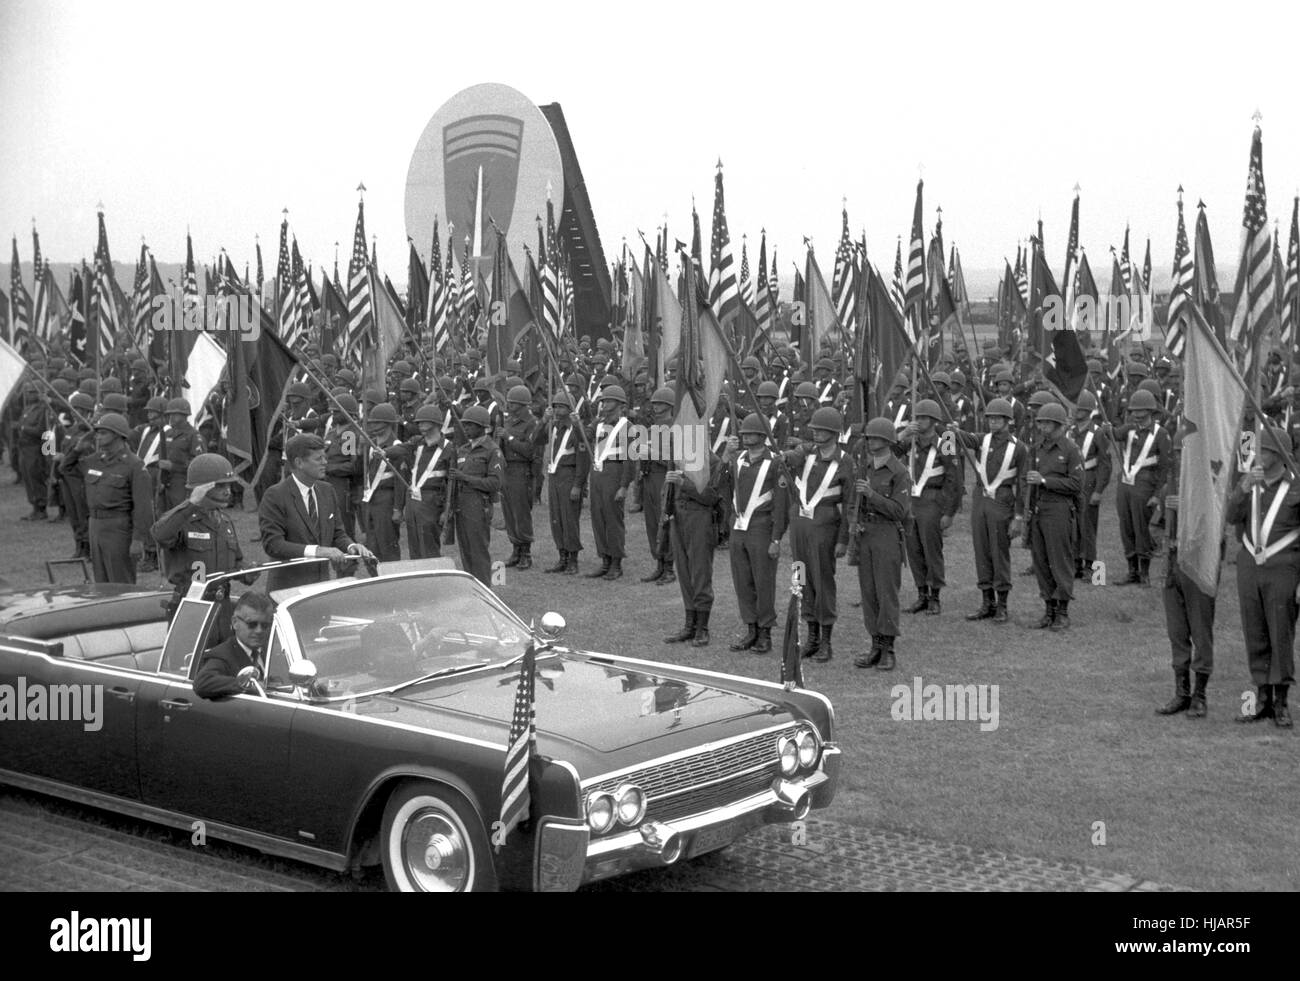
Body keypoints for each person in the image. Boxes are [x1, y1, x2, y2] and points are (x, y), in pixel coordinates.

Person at [1226, 425, 1298, 727]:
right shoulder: (1249, 482)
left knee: (1280, 633)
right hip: (1249, 568)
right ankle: (1261, 698)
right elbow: (1231, 517)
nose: (1258, 454)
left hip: (1284, 568)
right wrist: (1242, 488)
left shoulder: (1295, 486)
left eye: (1266, 450)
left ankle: (1281, 702)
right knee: (1254, 631)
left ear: (1281, 455)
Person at [152, 453, 257, 641]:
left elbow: (236, 562)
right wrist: (191, 503)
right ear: (200, 488)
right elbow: (160, 535)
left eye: (229, 485)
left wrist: (247, 572)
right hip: (191, 605)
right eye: (220, 486)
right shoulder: (182, 520)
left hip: (222, 607)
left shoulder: (224, 521)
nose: (228, 491)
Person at [259, 433, 375, 593]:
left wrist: (352, 546)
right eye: (318, 459)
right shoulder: (275, 495)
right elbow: (273, 545)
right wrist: (318, 551)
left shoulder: (327, 491)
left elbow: (337, 533)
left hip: (320, 590)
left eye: (325, 457)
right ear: (299, 462)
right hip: (287, 591)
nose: (325, 463)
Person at [786, 406, 855, 663]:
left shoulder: (845, 461)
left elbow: (849, 503)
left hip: (825, 526)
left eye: (821, 430)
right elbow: (787, 460)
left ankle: (826, 640)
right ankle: (811, 635)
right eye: (814, 429)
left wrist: (843, 539)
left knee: (823, 581)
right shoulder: (805, 452)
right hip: (800, 528)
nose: (815, 433)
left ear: (834, 433)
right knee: (801, 578)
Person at [950, 397, 1028, 623]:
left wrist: (1019, 516)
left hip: (1002, 500)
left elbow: (1022, 485)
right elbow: (966, 438)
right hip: (981, 500)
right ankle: (987, 601)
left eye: (998, 419)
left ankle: (1002, 604)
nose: (993, 422)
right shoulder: (983, 440)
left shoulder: (1019, 448)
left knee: (998, 552)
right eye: (991, 418)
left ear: (1007, 421)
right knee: (981, 550)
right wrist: (954, 430)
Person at [1157, 427, 1217, 718]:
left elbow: (1216, 528)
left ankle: (1200, 694)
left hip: (1198, 565)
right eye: (1178, 453)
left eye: (1187, 454)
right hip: (1172, 566)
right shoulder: (1170, 485)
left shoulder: (1210, 487)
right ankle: (1181, 691)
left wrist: (1189, 510)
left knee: (1201, 632)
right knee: (1177, 632)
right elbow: (1156, 527)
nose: (1182, 459)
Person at [851, 417, 911, 670]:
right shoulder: (865, 467)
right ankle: (875, 645)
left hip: (887, 533)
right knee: (869, 592)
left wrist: (872, 496)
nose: (870, 442)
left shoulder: (899, 472)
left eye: (875, 438)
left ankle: (888, 649)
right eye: (868, 438)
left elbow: (900, 511)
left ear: (887, 441)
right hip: (867, 533)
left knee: (886, 592)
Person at [725, 413, 788, 653]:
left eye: (750, 433)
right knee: (742, 580)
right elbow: (722, 485)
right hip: (738, 526)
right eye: (743, 434)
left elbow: (781, 503)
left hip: (761, 526)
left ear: (762, 436)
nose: (745, 437)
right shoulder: (737, 459)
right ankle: (750, 628)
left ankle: (765, 632)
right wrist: (725, 457)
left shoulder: (775, 462)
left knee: (763, 581)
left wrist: (776, 538)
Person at [1025, 402, 1084, 630]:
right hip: (1039, 508)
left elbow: (1077, 484)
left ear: (1059, 424)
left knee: (1060, 560)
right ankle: (1048, 608)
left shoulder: (1070, 450)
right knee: (1040, 561)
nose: (1042, 427)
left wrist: (1045, 481)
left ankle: (1062, 610)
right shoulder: (1036, 448)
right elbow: (1027, 481)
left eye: (1047, 422)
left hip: (1059, 509)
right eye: (1040, 422)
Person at [898, 399, 960, 615]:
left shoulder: (947, 440)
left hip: (933, 500)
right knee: (913, 549)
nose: (920, 421)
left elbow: (954, 479)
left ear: (934, 420)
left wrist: (949, 512)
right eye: (917, 417)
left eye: (924, 417)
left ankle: (935, 596)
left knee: (931, 548)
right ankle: (921, 593)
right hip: (911, 501)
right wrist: (903, 434)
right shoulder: (911, 441)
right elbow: (890, 451)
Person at [662, 444, 725, 647]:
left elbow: (711, 497)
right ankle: (690, 624)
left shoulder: (713, 462)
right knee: (684, 572)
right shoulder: (680, 456)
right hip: (678, 517)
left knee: (700, 572)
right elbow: (670, 489)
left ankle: (702, 627)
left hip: (700, 517)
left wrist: (683, 483)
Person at [83, 413, 154, 584]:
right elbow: (65, 468)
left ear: (117, 435)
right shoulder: (95, 460)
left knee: (120, 582)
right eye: (97, 433)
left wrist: (137, 540)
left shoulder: (134, 465)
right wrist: (78, 448)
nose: (98, 436)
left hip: (118, 527)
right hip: (95, 525)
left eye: (103, 433)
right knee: (101, 581)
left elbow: (143, 507)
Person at [1111, 388, 1172, 585]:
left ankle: (1144, 573)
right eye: (1134, 411)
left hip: (1146, 484)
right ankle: (1132, 571)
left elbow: (1164, 468)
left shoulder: (1161, 434)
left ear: (1151, 412)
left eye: (1141, 412)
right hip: (1125, 486)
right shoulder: (1128, 429)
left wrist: (1157, 494)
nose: (1136, 415)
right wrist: (1105, 428)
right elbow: (1113, 434)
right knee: (1126, 526)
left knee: (1141, 528)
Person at [449, 404, 504, 585]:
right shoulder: (463, 449)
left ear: (482, 427)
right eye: (465, 425)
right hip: (462, 505)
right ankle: (471, 588)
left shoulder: (492, 450)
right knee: (465, 549)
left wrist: (465, 478)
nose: (466, 429)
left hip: (479, 505)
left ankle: (485, 590)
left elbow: (495, 483)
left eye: (471, 425)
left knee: (478, 550)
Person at [585, 384, 633, 580]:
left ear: (620, 404)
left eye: (609, 401)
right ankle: (604, 559)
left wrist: (624, 486)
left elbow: (631, 460)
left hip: (614, 473)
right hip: (598, 474)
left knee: (613, 519)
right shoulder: (599, 424)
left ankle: (616, 562)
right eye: (603, 400)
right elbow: (584, 436)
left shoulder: (628, 427)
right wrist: (576, 423)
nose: (604, 404)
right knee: (598, 518)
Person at [193, 592, 277, 700]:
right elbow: (202, 682)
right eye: (252, 624)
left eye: (265, 625)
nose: (259, 630)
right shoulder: (222, 655)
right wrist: (249, 685)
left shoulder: (273, 650)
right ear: (235, 622)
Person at [542, 392, 589, 574]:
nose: (557, 410)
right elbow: (536, 439)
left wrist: (578, 484)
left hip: (569, 476)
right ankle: (562, 556)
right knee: (556, 518)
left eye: (561, 406)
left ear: (570, 409)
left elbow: (583, 459)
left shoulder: (577, 429)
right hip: (555, 477)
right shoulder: (553, 427)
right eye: (555, 406)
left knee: (569, 519)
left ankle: (573, 559)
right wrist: (544, 421)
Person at [358, 403, 408, 562]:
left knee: (387, 547)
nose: (372, 426)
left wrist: (397, 508)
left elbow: (401, 481)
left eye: (377, 423)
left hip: (387, 500)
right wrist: (359, 449)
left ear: (388, 424)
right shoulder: (370, 443)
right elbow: (360, 470)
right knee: (371, 545)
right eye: (372, 422)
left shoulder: (397, 447)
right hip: (370, 500)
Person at [638, 387, 677, 584]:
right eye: (654, 403)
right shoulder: (653, 426)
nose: (655, 406)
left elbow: (676, 459)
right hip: (649, 477)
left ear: (669, 405)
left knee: (665, 522)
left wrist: (653, 453)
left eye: (660, 403)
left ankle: (669, 567)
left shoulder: (673, 427)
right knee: (652, 521)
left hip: (664, 476)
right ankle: (659, 564)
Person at [1072, 390, 1112, 580]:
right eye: (1075, 408)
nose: (1076, 412)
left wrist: (1099, 490)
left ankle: (1092, 568)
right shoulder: (1069, 431)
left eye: (1081, 409)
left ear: (1089, 411)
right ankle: (1074, 563)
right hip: (1071, 481)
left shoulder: (1097, 433)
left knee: (1088, 525)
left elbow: (1105, 463)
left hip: (1088, 482)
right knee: (1072, 524)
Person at [499, 385, 539, 570]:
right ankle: (515, 549)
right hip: (506, 469)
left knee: (521, 512)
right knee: (509, 512)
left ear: (523, 404)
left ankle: (526, 553)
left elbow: (530, 451)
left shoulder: (532, 423)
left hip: (521, 471)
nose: (510, 405)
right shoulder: (508, 421)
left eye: (513, 403)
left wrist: (509, 438)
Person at [404, 403, 451, 559]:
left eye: (425, 422)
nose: (421, 425)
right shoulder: (417, 443)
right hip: (413, 499)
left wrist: (447, 509)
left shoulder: (449, 449)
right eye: (419, 422)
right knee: (414, 545)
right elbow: (401, 449)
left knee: (429, 545)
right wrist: (384, 452)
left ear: (436, 424)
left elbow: (451, 482)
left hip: (432, 500)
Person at [159, 398, 204, 510]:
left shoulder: (193, 435)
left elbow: (198, 465)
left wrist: (173, 467)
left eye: (175, 414)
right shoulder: (167, 433)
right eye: (169, 414)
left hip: (183, 483)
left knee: (180, 515)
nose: (171, 417)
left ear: (185, 415)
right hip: (166, 482)